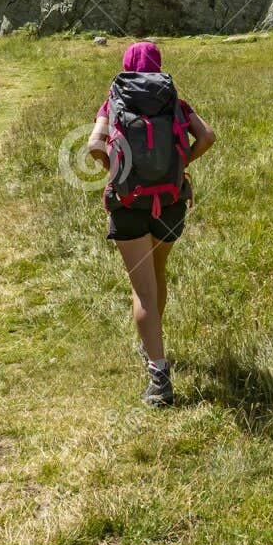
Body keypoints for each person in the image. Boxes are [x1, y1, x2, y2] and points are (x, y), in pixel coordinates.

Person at [88, 41, 215, 407]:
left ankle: (159, 378)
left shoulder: (114, 100)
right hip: (171, 202)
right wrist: (182, 167)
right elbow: (207, 137)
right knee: (158, 273)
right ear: (158, 65)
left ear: (126, 65)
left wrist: (117, 174)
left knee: (141, 290)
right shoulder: (173, 99)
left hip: (129, 205)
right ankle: (155, 345)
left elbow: (96, 145)